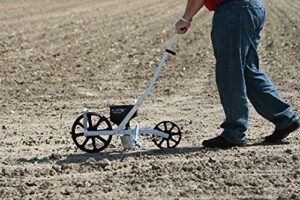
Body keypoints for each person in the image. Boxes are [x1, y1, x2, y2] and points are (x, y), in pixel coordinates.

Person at [175, 0, 300, 148]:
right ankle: (284, 118)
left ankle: (234, 132)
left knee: (229, 71)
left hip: (233, 11)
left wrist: (185, 18)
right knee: (248, 71)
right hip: (252, 7)